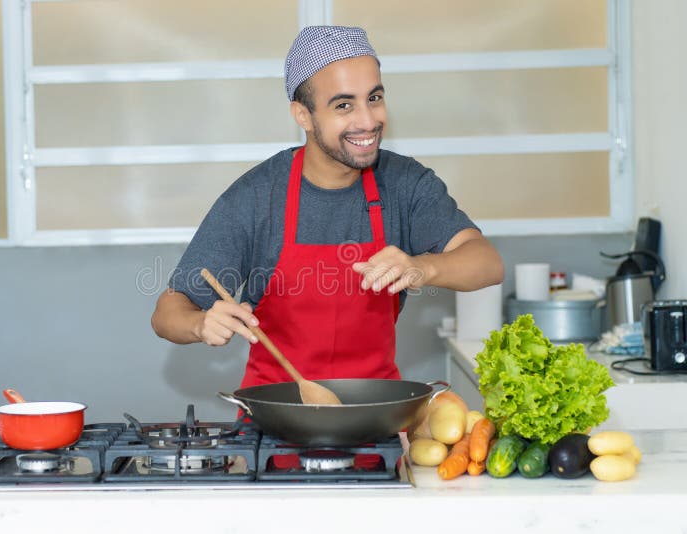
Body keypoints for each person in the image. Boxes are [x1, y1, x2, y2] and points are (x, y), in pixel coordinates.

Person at [152, 26, 504, 389]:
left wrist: (422, 267)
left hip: (376, 417)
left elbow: (487, 264)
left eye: (375, 98)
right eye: (344, 105)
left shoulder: (405, 184)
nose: (368, 121)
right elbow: (168, 312)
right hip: (273, 423)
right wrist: (200, 324)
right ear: (302, 115)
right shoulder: (257, 197)